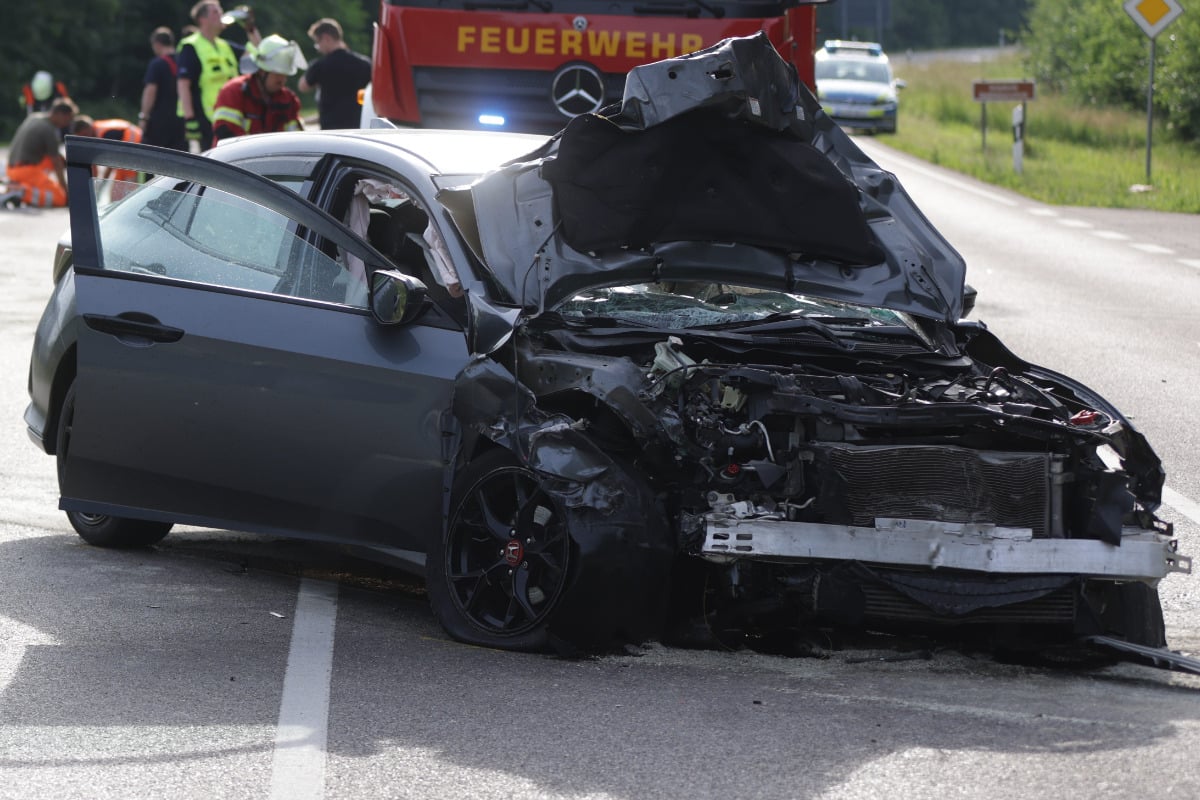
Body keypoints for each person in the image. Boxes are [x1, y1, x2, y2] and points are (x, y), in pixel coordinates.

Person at [177, 1, 261, 151]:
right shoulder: (190, 46)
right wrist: (190, 119)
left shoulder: (225, 46)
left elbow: (259, 53)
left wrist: (250, 27)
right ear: (203, 20)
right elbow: (184, 84)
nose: (221, 15)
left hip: (233, 117)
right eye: (216, 12)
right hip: (207, 120)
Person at [211, 34, 306, 145]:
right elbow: (226, 134)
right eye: (277, 73)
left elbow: (296, 141)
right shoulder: (233, 92)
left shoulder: (288, 100)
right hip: (231, 159)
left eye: (285, 74)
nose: (282, 79)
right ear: (261, 71)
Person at [298, 18, 371, 130]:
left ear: (326, 38)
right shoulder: (364, 64)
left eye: (318, 42)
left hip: (331, 129)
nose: (318, 48)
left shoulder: (320, 66)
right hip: (357, 127)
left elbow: (302, 86)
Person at [3, 99, 77, 208]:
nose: (68, 123)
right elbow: (56, 163)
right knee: (60, 198)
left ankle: (19, 187)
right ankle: (21, 192)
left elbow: (56, 157)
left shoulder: (33, 117)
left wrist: (65, 162)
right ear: (60, 114)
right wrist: (66, 192)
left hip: (10, 169)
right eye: (68, 118)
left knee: (53, 161)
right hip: (26, 171)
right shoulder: (49, 130)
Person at [69, 117, 144, 200]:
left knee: (128, 184)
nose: (84, 139)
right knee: (116, 193)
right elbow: (94, 164)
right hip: (125, 148)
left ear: (87, 129)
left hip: (131, 143)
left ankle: (134, 201)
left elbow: (111, 163)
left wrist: (101, 185)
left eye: (83, 135)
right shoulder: (95, 133)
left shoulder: (104, 133)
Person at [139, 27, 187, 151]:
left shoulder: (157, 64)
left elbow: (150, 91)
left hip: (159, 122)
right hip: (181, 121)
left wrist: (144, 117)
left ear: (157, 44)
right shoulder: (183, 62)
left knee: (153, 161)